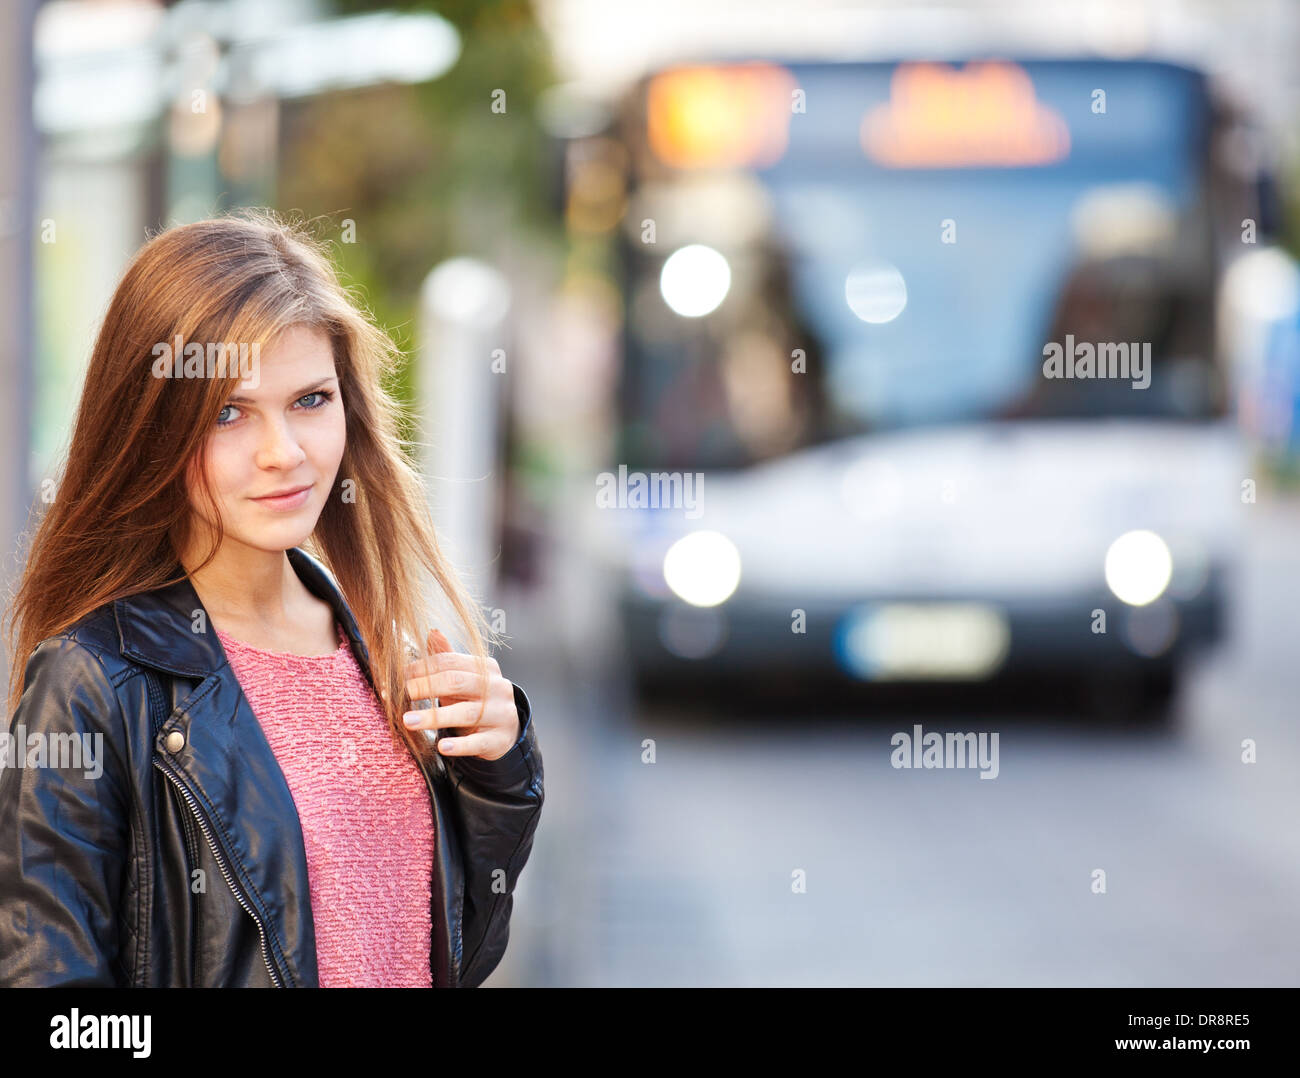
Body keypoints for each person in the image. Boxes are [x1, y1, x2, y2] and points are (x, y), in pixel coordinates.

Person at [0, 211, 543, 987]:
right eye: (229, 412)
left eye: (311, 401)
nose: (283, 454)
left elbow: (441, 954)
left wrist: (497, 776)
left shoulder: (372, 643)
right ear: (153, 427)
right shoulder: (93, 681)